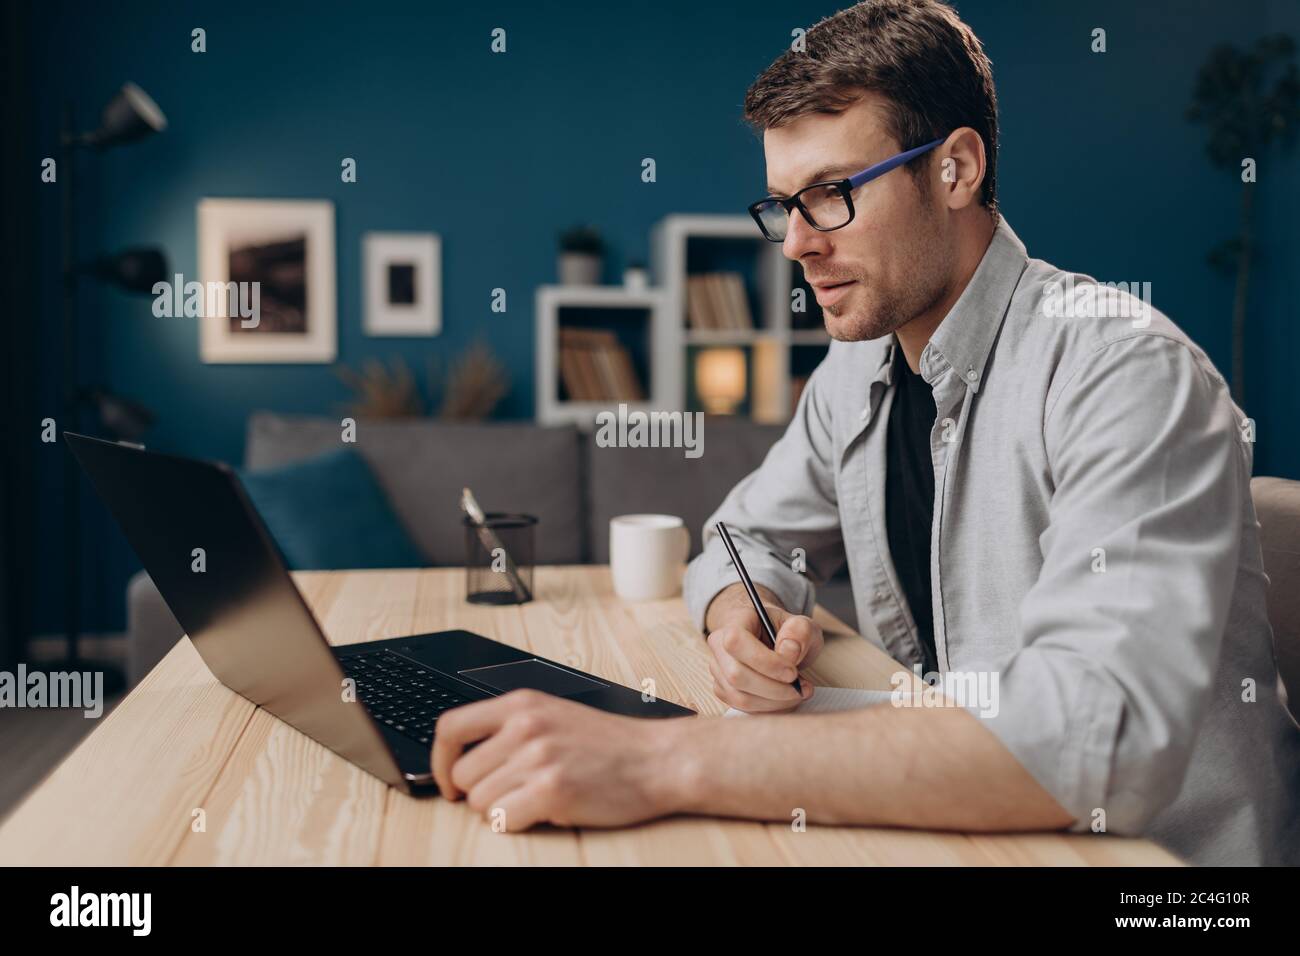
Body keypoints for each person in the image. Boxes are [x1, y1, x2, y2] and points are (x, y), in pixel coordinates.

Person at [431, 0, 1300, 865]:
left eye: (832, 194)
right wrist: (747, 614)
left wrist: (661, 759)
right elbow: (742, 536)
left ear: (957, 169)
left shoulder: (1125, 371)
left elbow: (1090, 740)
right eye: (782, 207)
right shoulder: (856, 374)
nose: (796, 246)